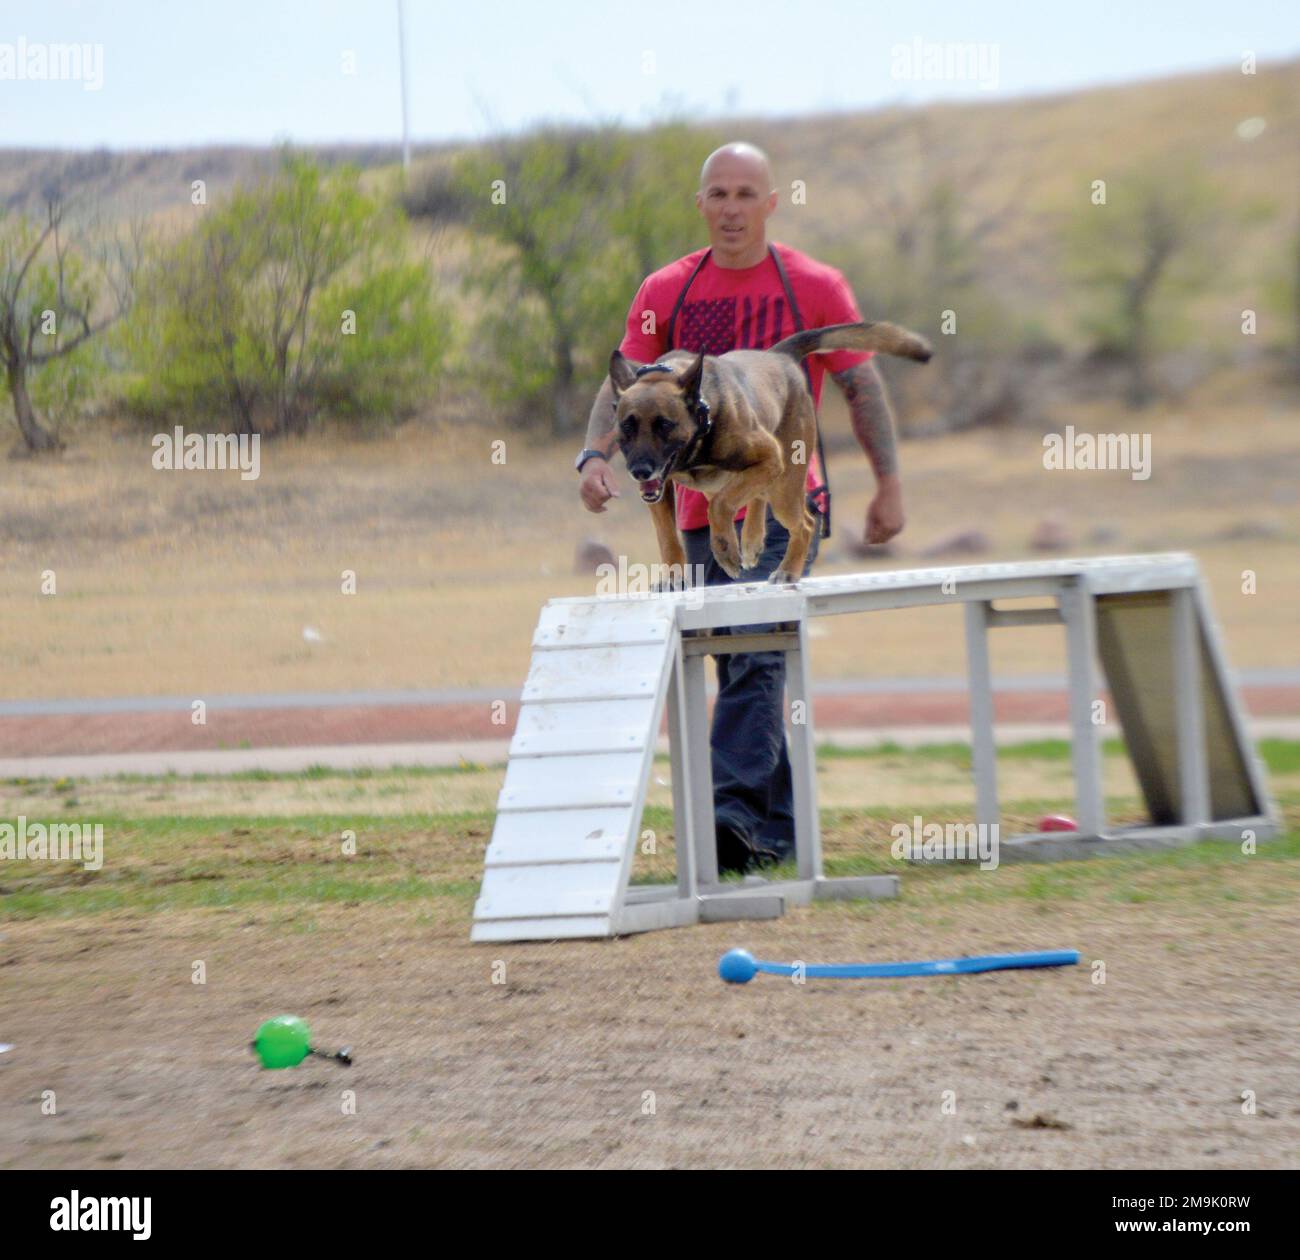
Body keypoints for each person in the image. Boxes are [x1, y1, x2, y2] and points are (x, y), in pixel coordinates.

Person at [575, 141, 905, 873]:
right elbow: (623, 386)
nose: (731, 209)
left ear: (771, 202)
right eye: (718, 194)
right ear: (700, 204)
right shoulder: (666, 288)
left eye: (745, 194)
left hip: (778, 493)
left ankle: (729, 824)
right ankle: (773, 830)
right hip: (693, 514)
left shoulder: (813, 284)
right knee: (738, 661)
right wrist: (595, 454)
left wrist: (888, 484)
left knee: (753, 651)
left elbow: (862, 385)